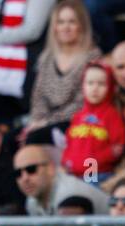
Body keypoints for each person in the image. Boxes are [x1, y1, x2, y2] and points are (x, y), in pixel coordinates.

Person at [22, 0, 101, 146]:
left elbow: (82, 103)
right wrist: (36, 121)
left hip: (76, 123)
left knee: (33, 139)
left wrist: (46, 122)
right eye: (61, 22)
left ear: (82, 26)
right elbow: (39, 96)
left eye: (72, 22)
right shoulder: (47, 57)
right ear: (54, 27)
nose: (66, 27)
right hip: (44, 122)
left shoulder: (93, 58)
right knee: (12, 139)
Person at [61, 61, 125, 178]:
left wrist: (95, 161)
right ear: (83, 85)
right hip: (73, 173)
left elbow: (117, 147)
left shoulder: (112, 115)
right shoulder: (78, 116)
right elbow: (68, 144)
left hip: (98, 174)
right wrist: (66, 161)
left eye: (101, 84)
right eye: (90, 83)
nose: (95, 88)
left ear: (110, 87)